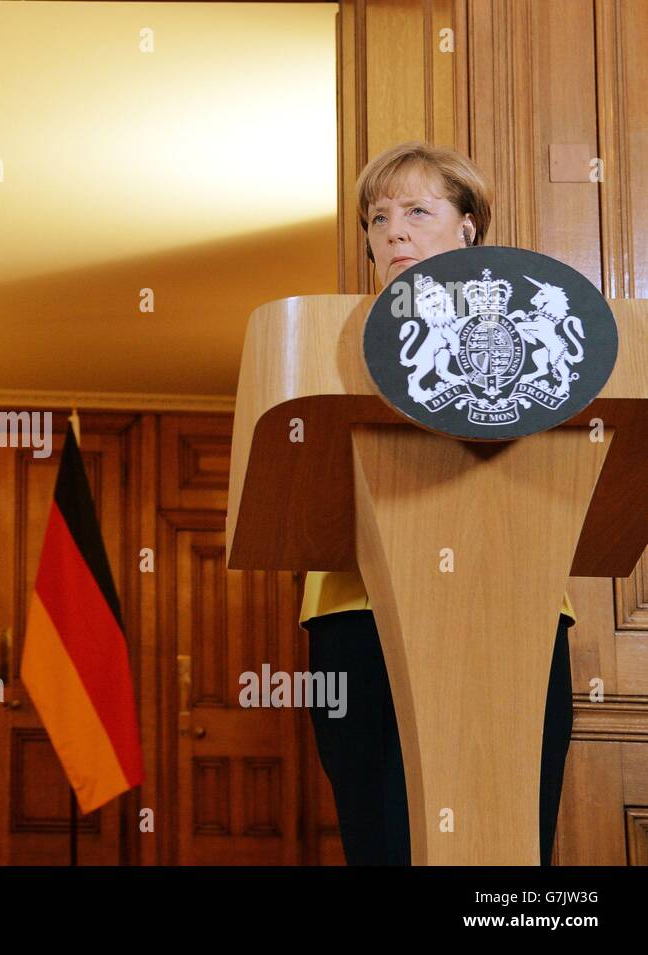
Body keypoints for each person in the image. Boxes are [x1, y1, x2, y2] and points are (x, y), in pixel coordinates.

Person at [304, 140, 575, 866]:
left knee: (503, 847)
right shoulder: (324, 341)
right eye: (377, 217)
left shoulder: (542, 335)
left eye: (418, 210)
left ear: (467, 227)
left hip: (514, 598)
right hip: (357, 611)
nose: (392, 230)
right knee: (381, 838)